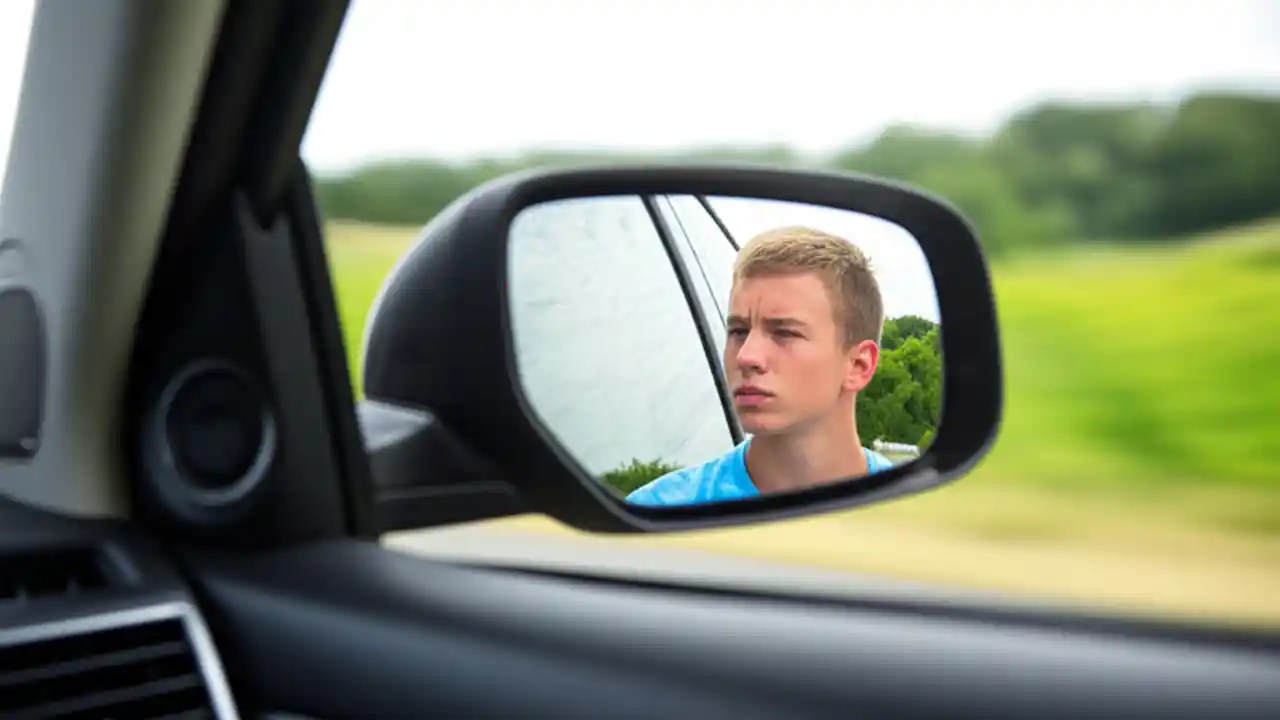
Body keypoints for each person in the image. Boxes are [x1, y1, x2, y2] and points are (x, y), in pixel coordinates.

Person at [627, 226, 894, 506]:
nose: (746, 355)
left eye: (785, 333)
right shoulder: (654, 513)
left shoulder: (913, 516)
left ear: (858, 366)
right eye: (738, 331)